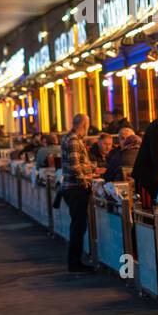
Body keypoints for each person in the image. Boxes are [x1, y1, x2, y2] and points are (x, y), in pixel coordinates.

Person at [60, 115, 96, 273]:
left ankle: (75, 261)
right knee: (78, 227)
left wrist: (91, 169)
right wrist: (85, 182)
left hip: (71, 188)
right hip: (77, 189)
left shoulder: (68, 137)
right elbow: (75, 166)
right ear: (84, 124)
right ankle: (75, 263)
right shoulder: (74, 140)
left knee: (77, 226)